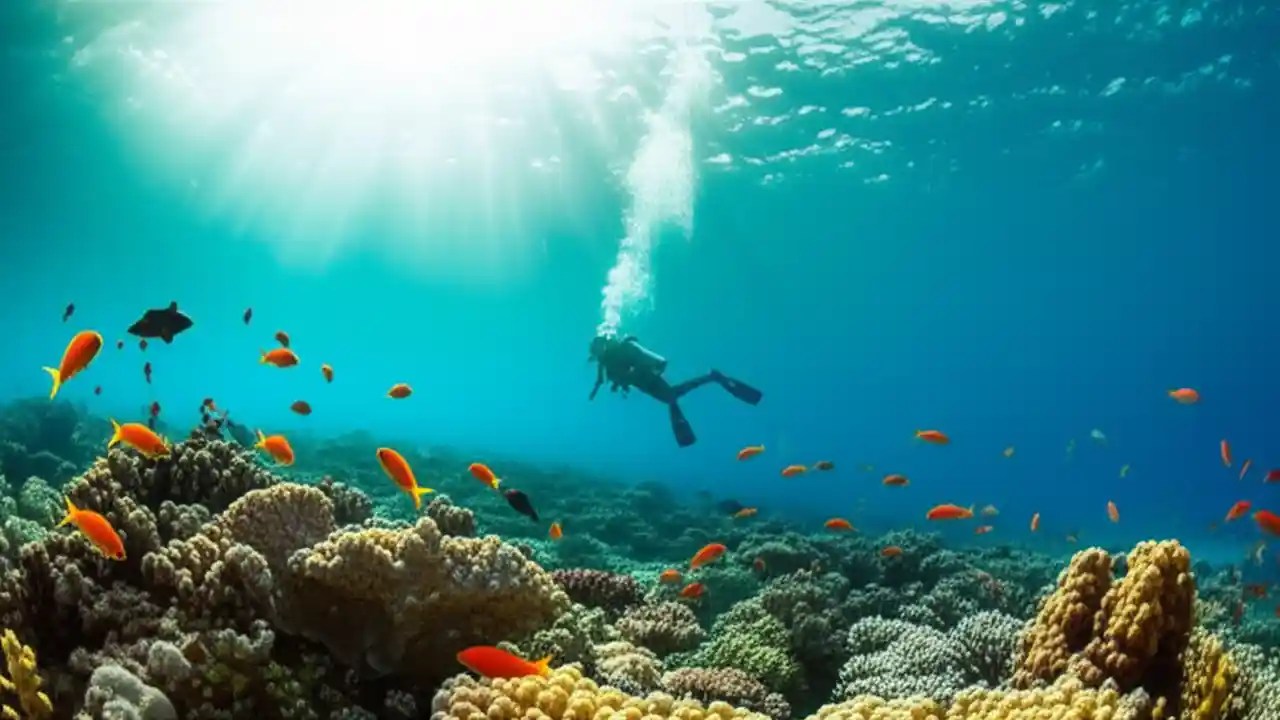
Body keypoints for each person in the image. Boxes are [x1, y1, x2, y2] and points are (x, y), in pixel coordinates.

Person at [588, 333, 763, 447]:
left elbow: (658, 362)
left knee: (671, 396)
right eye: (596, 351)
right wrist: (604, 388)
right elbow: (602, 380)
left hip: (650, 381)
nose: (598, 354)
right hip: (645, 385)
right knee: (670, 398)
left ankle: (712, 377)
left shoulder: (627, 349)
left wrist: (639, 374)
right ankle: (706, 382)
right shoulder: (605, 363)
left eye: (598, 348)